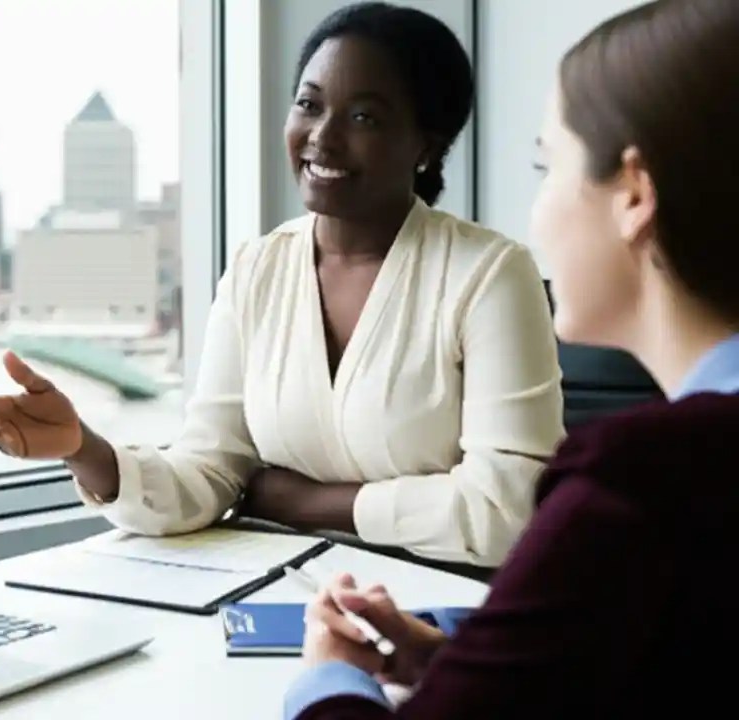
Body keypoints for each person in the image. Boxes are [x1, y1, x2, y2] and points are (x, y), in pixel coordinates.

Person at [0, 2, 564, 568]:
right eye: (309, 104)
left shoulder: (488, 275)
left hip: (441, 606)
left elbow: (507, 512)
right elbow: (209, 472)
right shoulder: (258, 269)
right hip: (285, 593)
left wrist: (310, 503)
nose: (323, 136)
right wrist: (83, 448)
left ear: (426, 146)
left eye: (364, 115)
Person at [288, 0, 739, 717]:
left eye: (546, 165)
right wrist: (462, 660)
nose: (534, 212)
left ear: (633, 196)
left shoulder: (643, 478)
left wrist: (327, 678)